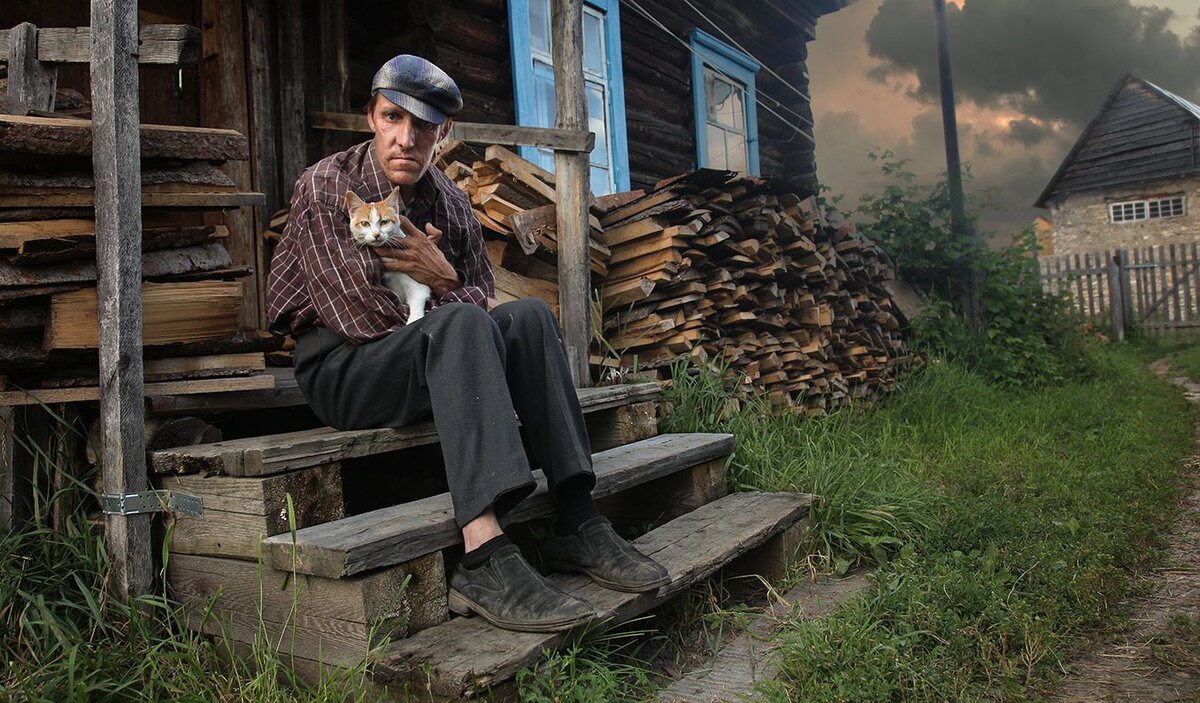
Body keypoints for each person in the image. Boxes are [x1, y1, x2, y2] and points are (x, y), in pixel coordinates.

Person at [266, 55, 668, 633]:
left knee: (528, 316)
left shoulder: (451, 203)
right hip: (343, 367)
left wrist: (444, 281)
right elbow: (361, 316)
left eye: (423, 127)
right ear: (370, 119)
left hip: (424, 352)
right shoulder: (329, 187)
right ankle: (482, 552)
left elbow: (478, 288)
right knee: (461, 324)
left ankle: (576, 520)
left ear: (443, 133)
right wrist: (448, 289)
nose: (406, 139)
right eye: (391, 118)